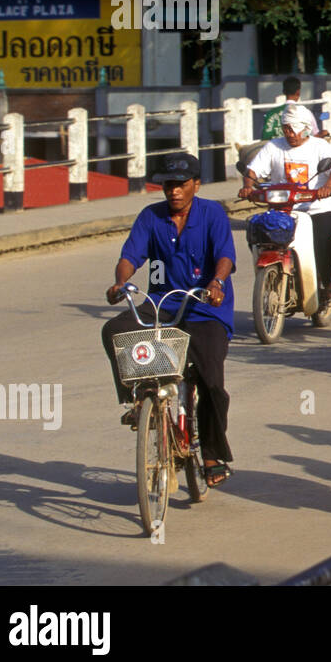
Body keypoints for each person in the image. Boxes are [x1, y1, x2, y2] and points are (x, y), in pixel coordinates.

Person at [103, 152, 236, 487]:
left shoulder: (212, 214)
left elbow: (225, 256)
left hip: (206, 307)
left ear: (195, 184)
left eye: (181, 184)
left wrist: (216, 283)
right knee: (115, 329)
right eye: (168, 185)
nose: (174, 191)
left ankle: (210, 454)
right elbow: (130, 256)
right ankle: (135, 398)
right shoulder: (151, 216)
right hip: (162, 303)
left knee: (212, 383)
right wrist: (121, 282)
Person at [240, 103, 331, 307]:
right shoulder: (274, 146)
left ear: (305, 128)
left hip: (317, 207)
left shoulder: (319, 146)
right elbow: (252, 172)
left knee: (322, 241)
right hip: (282, 210)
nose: (289, 133)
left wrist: (326, 187)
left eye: (293, 129)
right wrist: (247, 186)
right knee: (257, 233)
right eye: (286, 128)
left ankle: (324, 283)